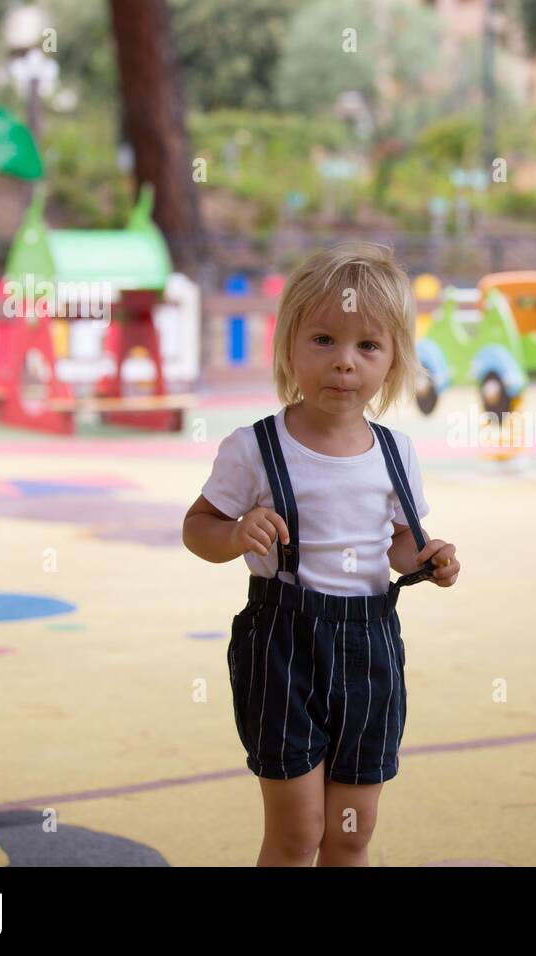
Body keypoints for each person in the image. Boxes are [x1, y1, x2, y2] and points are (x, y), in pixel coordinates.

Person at [183, 241, 460, 866]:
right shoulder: (254, 447)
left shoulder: (397, 453)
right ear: (288, 347)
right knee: (296, 833)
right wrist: (234, 535)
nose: (344, 363)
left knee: (351, 835)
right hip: (282, 647)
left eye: (367, 346)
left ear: (392, 362)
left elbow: (397, 543)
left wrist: (428, 556)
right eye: (324, 340)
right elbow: (198, 527)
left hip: (370, 652)